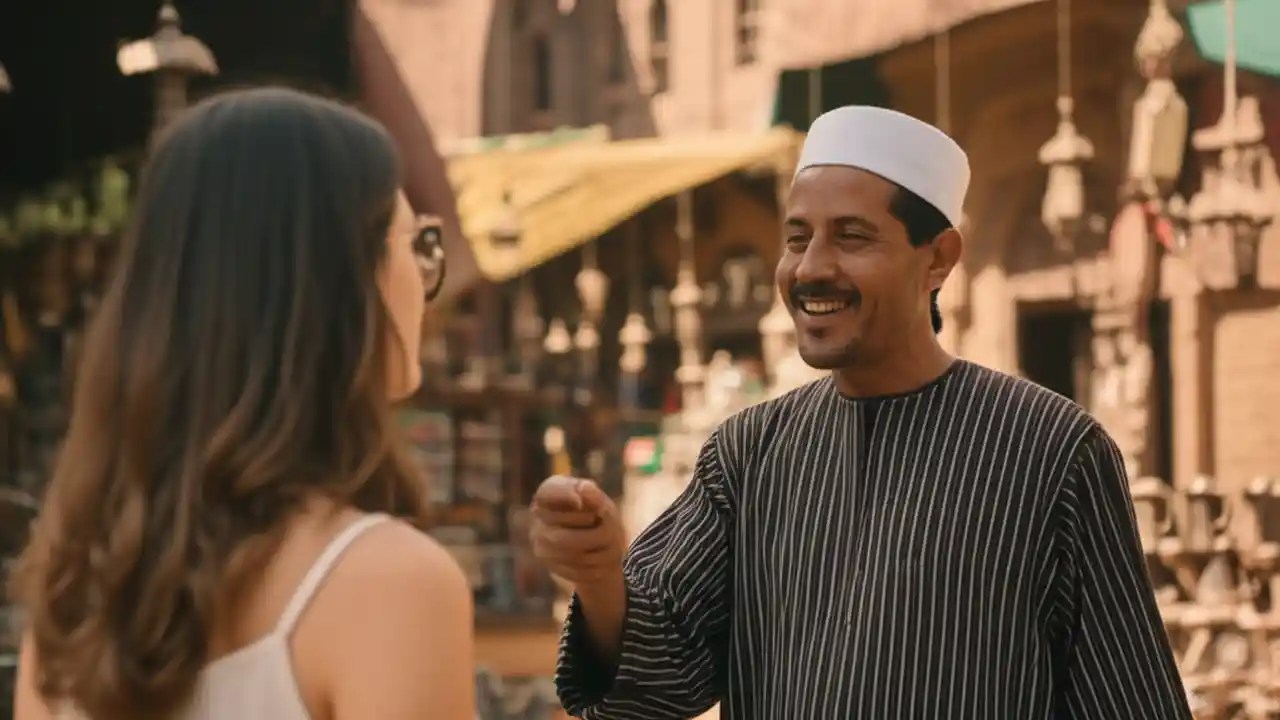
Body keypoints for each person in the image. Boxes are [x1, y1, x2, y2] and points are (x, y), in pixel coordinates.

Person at [530, 106, 1191, 719]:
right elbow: (660, 672)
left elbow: (1127, 699)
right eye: (797, 239)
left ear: (938, 259)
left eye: (852, 237)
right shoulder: (749, 454)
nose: (812, 268)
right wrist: (599, 576)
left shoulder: (1051, 451)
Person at [10, 87, 475, 720]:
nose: (425, 286)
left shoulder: (72, 607)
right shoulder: (392, 586)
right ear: (340, 286)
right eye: (415, 245)